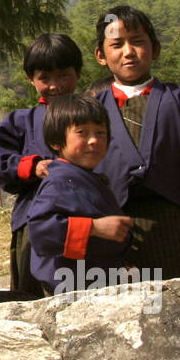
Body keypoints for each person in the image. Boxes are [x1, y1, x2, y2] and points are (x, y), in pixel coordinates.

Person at [92, 6, 180, 281]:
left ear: (156, 48)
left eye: (138, 42)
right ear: (101, 56)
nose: (129, 51)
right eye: (117, 44)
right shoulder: (91, 111)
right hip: (113, 233)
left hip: (175, 228)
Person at [0, 32, 85, 296]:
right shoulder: (22, 121)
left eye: (63, 75)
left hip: (84, 219)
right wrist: (33, 167)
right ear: (31, 79)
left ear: (78, 73)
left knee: (79, 289)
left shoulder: (92, 116)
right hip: (33, 222)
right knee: (31, 296)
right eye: (45, 78)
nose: (55, 85)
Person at [22, 93, 133, 294]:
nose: (93, 141)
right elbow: (41, 231)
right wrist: (95, 227)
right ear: (56, 141)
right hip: (70, 287)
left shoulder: (87, 177)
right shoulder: (60, 179)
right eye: (82, 132)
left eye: (100, 133)